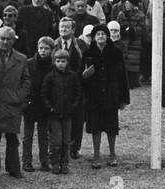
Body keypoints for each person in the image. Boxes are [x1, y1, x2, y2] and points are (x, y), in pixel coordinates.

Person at [0, 26, 30, 179]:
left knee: (12, 138)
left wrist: (19, 96)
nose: (5, 42)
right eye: (2, 38)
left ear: (13, 40)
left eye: (8, 39)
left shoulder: (21, 59)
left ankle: (14, 169)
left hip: (12, 103)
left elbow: (27, 80)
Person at [81, 23, 129, 168]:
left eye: (103, 34)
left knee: (111, 127)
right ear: (94, 38)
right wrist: (84, 76)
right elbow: (81, 76)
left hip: (111, 95)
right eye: (97, 35)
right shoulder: (88, 53)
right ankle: (96, 155)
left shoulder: (116, 52)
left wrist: (124, 98)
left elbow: (123, 76)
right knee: (95, 127)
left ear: (107, 36)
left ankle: (112, 154)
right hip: (94, 96)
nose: (100, 37)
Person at [42, 47, 83, 174]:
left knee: (66, 140)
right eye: (58, 61)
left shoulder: (72, 76)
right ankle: (55, 162)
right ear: (54, 62)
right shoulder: (50, 77)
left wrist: (74, 106)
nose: (61, 64)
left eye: (63, 61)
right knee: (56, 140)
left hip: (68, 114)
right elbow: (44, 93)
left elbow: (78, 92)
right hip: (55, 114)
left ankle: (64, 163)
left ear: (68, 62)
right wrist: (50, 107)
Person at [23, 37, 57, 172]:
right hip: (31, 103)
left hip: (44, 105)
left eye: (46, 48)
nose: (43, 51)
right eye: (41, 48)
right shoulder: (29, 63)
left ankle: (44, 161)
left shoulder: (53, 65)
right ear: (37, 48)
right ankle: (27, 161)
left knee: (43, 135)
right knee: (27, 135)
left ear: (52, 50)